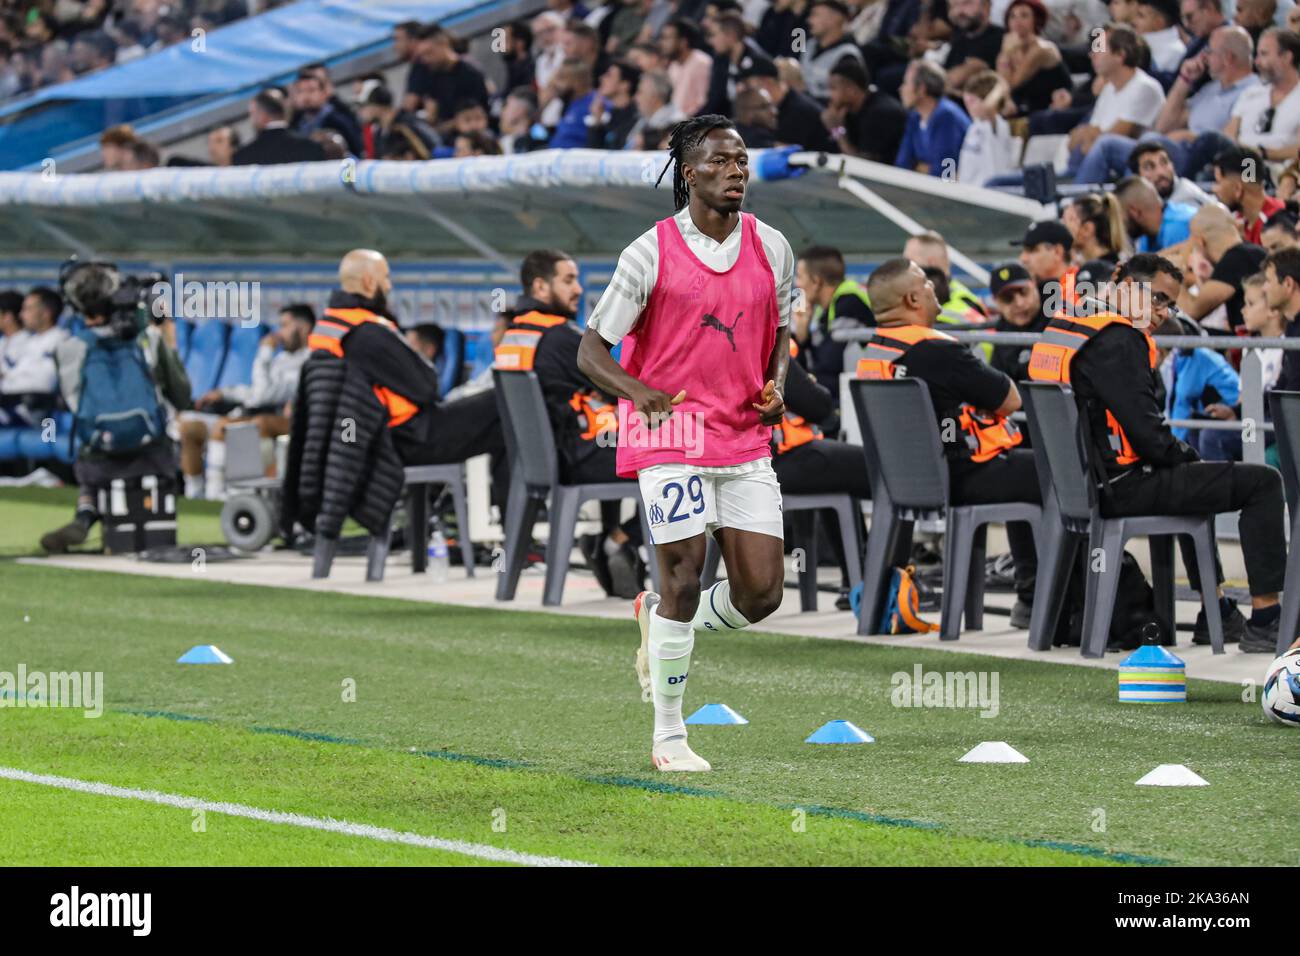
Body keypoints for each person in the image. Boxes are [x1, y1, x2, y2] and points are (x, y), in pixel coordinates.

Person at [576, 116, 795, 772]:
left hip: (741, 433)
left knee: (761, 595)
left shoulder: (773, 246)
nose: (736, 171)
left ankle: (659, 620)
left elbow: (784, 327)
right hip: (668, 428)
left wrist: (778, 383)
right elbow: (590, 349)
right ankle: (669, 734)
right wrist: (637, 391)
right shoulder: (648, 253)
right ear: (688, 173)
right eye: (721, 161)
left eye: (742, 160)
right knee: (684, 572)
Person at [1029, 252, 1286, 651]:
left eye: (1169, 304)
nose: (1163, 313)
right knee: (1263, 482)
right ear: (1129, 286)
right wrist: (1187, 456)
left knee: (1193, 476)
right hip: (1123, 485)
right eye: (1158, 299)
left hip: (1074, 489)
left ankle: (1215, 611)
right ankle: (1267, 619)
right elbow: (1150, 438)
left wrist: (1184, 459)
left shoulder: (1063, 325)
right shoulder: (1120, 338)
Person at [857, 258, 1040, 627]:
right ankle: (1042, 600)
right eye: (925, 282)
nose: (933, 287)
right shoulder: (938, 350)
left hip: (902, 486)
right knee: (1051, 473)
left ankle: (1034, 598)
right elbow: (1010, 400)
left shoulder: (874, 353)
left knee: (1023, 468)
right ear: (912, 298)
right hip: (959, 478)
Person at [494, 249, 643, 597]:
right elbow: (617, 385)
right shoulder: (561, 338)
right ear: (541, 287)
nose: (578, 289)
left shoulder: (515, 333)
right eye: (568, 280)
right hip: (577, 457)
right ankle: (621, 539)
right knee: (673, 455)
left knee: (622, 439)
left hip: (539, 462)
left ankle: (607, 538)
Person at [308, 250, 505, 476]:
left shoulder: (330, 327)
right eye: (386, 278)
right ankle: (523, 507)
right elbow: (427, 387)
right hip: (404, 438)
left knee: (503, 429)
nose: (389, 286)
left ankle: (516, 507)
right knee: (504, 402)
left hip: (356, 439)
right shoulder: (368, 332)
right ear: (369, 283)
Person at [40, 262, 192, 553]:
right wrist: (167, 339)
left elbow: (72, 403)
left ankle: (86, 513)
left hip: (98, 460)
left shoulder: (69, 348)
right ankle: (142, 520)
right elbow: (182, 397)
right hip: (153, 456)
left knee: (90, 448)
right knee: (159, 443)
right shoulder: (149, 339)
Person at [178, 304, 314, 500]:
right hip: (252, 412)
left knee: (224, 427)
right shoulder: (283, 358)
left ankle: (217, 494)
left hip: (280, 420)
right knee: (189, 427)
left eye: (285, 326)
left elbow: (264, 395)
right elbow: (254, 392)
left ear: (304, 328)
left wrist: (265, 352)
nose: (279, 333)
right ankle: (195, 492)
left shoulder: (309, 360)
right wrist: (224, 393)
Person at [794, 244, 874, 398]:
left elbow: (827, 367)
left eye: (799, 276)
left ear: (816, 282)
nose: (797, 284)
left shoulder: (850, 302)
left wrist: (804, 343)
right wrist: (803, 338)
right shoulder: (825, 309)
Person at [1181, 201, 1267, 331]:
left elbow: (1192, 311)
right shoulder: (1248, 252)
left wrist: (1174, 275)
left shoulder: (1235, 259)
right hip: (1255, 342)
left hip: (1257, 345)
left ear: (1200, 242)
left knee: (1185, 333)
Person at [738, 57, 834, 151]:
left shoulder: (799, 111)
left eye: (747, 85)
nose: (741, 90)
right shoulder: (781, 105)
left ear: (766, 83)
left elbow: (786, 154)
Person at [896, 59, 972, 176]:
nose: (901, 89)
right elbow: (902, 164)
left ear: (921, 89)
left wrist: (920, 166)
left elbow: (945, 173)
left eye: (906, 83)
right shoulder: (915, 117)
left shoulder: (947, 117)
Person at [822, 58, 905, 161]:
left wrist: (837, 130)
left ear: (851, 90)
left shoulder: (881, 114)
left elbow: (861, 165)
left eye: (833, 88)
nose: (829, 95)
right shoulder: (847, 111)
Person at [996, 0, 1071, 114]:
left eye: (1024, 16)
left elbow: (1011, 85)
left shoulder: (1042, 49)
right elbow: (1001, 87)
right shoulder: (1012, 48)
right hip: (1028, 107)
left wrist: (1005, 53)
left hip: (1052, 108)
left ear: (1036, 20)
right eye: (1012, 16)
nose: (1017, 21)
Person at [903, 231, 991, 325]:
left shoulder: (917, 302)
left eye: (909, 261)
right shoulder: (968, 298)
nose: (904, 267)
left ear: (930, 263)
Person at [1211, 144, 1286, 245]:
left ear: (1237, 189)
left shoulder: (1276, 224)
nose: (1214, 189)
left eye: (1218, 182)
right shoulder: (1239, 222)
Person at [988, 261, 1050, 382]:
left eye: (1024, 292)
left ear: (1034, 285)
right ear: (996, 302)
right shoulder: (1002, 332)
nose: (1019, 303)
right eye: (1007, 298)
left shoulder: (1060, 317)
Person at [233, 90, 326, 165]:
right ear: (285, 112)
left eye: (252, 114)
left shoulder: (243, 157)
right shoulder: (311, 147)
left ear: (261, 115)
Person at [958, 70, 1018, 184]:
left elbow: (986, 109)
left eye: (972, 101)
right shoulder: (974, 127)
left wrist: (1000, 87)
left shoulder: (996, 123)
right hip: (969, 190)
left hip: (992, 189)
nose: (968, 107)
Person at [799, 0, 865, 102]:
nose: (809, 20)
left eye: (816, 15)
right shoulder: (809, 44)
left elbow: (843, 99)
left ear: (835, 19)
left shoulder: (848, 55)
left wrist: (802, 91)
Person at [1116, 174, 1196, 252]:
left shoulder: (1179, 227)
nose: (1119, 226)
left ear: (1135, 212)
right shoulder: (1146, 234)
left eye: (1119, 218)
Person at [1018, 219, 1079, 312]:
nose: (1023, 258)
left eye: (1031, 250)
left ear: (1057, 252)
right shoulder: (1034, 292)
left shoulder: (1080, 289)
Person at [660, 18, 713, 116]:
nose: (662, 43)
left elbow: (703, 103)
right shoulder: (673, 66)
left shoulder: (701, 63)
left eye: (667, 38)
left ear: (683, 42)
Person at [1062, 192, 1128, 265]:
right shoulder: (1082, 267)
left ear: (1087, 229)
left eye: (1066, 221)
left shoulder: (1110, 271)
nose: (1060, 227)